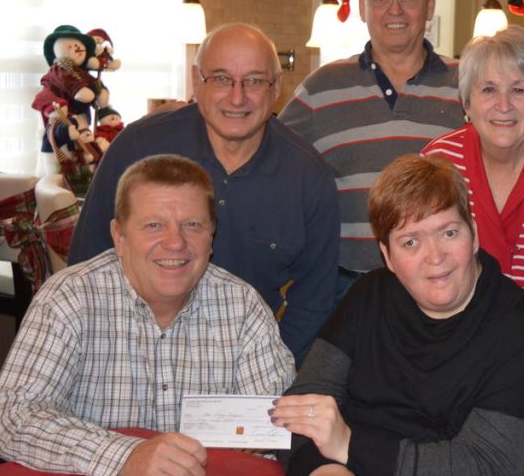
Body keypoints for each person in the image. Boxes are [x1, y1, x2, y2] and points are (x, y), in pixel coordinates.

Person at [270, 154, 524, 476]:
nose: (435, 257)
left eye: (449, 232)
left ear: (473, 234)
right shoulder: (368, 296)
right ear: (387, 256)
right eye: (410, 242)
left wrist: (349, 446)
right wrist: (323, 469)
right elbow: (301, 404)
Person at [0, 154, 295, 476]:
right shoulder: (70, 298)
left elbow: (279, 428)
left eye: (192, 225)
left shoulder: (243, 307)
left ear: (211, 236)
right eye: (154, 225)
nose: (176, 242)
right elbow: (11, 421)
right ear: (119, 237)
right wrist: (125, 456)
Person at [69, 23, 339, 364]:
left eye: (254, 81)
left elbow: (314, 300)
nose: (237, 97)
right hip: (128, 355)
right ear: (198, 82)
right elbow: (87, 263)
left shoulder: (307, 177)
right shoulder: (138, 147)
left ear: (276, 89)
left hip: (243, 363)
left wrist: (271, 364)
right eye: (222, 79)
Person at [281, 0, 463, 295]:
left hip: (443, 285)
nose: (395, 10)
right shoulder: (320, 90)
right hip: (344, 288)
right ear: (362, 7)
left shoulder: (467, 87)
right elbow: (269, 162)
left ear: (430, 5)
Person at [422, 26, 524, 307]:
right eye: (488, 89)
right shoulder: (437, 163)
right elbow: (420, 265)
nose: (504, 105)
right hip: (454, 334)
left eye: (518, 89)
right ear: (466, 102)